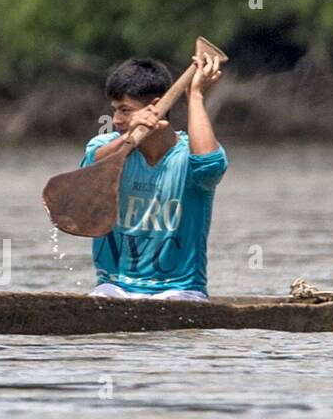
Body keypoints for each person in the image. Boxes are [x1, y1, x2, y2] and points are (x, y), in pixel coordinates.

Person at [80, 52, 226, 300]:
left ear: (155, 107)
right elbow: (88, 177)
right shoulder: (104, 146)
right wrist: (129, 137)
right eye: (114, 110)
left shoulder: (190, 155)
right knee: (103, 298)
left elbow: (209, 167)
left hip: (181, 290)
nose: (116, 119)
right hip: (114, 287)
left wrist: (196, 96)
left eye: (125, 110)